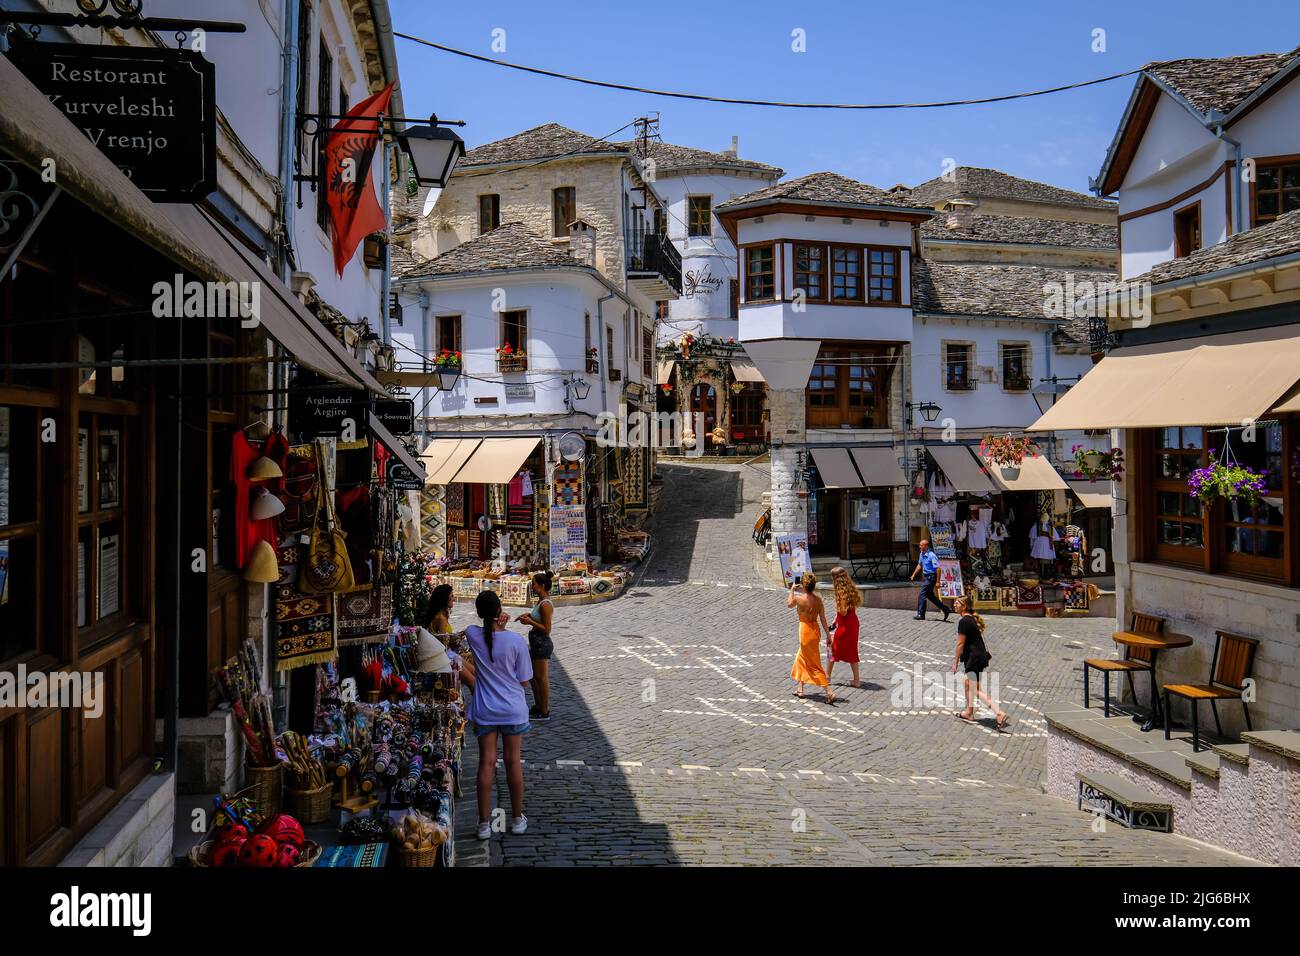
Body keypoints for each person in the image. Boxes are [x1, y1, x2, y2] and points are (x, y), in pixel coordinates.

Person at [465, 589, 533, 839]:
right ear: (499, 610)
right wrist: (501, 623)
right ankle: (516, 818)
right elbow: (525, 681)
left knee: (487, 763)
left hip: (486, 709)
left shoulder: (473, 636)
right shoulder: (515, 642)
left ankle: (484, 824)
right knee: (513, 763)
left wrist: (494, 620)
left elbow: (476, 629)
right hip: (512, 710)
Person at [950, 596, 1009, 730]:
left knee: (975, 689)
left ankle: (999, 713)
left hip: (974, 658)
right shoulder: (970, 618)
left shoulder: (964, 621)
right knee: (967, 684)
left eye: (957, 603)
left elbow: (960, 644)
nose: (954, 605)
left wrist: (955, 661)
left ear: (964, 606)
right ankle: (969, 713)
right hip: (978, 657)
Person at [787, 572, 834, 703]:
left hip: (805, 632)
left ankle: (828, 691)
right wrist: (828, 634)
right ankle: (800, 687)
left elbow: (789, 604)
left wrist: (792, 590)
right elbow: (823, 619)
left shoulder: (799, 599)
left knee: (813, 663)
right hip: (815, 632)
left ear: (803, 584)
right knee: (801, 657)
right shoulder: (818, 600)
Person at [515, 571, 554, 722]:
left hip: (541, 643)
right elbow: (538, 618)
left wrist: (530, 622)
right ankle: (538, 706)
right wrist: (528, 616)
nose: (532, 586)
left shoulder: (545, 604)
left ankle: (544, 710)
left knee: (541, 678)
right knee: (533, 677)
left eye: (534, 583)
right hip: (536, 643)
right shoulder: (540, 601)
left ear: (542, 585)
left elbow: (547, 628)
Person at [827, 566, 861, 688]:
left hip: (845, 626)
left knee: (831, 649)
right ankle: (856, 680)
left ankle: (828, 677)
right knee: (852, 651)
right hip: (853, 624)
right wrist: (835, 622)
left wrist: (837, 617)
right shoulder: (850, 588)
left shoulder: (841, 593)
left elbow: (843, 612)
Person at [909, 539, 951, 621]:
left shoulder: (932, 555)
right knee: (930, 596)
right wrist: (913, 574)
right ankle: (946, 609)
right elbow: (919, 565)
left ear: (926, 546)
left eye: (922, 545)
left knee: (922, 594)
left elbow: (938, 569)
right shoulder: (922, 553)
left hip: (931, 577)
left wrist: (938, 582)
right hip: (927, 577)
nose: (919, 547)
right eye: (920, 545)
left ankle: (921, 614)